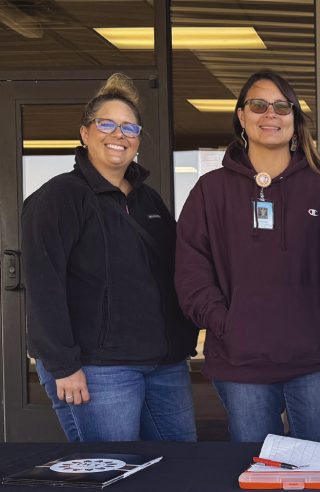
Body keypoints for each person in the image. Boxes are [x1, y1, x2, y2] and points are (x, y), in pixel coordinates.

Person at [23, 73, 199, 442]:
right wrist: (63, 365)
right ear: (85, 134)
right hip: (100, 368)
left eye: (129, 127)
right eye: (107, 124)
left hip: (164, 364)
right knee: (113, 470)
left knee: (180, 469)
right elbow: (44, 287)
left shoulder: (147, 200)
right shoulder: (59, 198)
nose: (119, 135)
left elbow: (175, 268)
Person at [175, 70, 320, 443]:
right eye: (258, 105)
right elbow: (191, 269)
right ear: (241, 116)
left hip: (316, 360)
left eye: (282, 106)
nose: (270, 114)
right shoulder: (211, 190)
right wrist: (225, 323)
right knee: (256, 469)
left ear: (294, 120)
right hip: (241, 362)